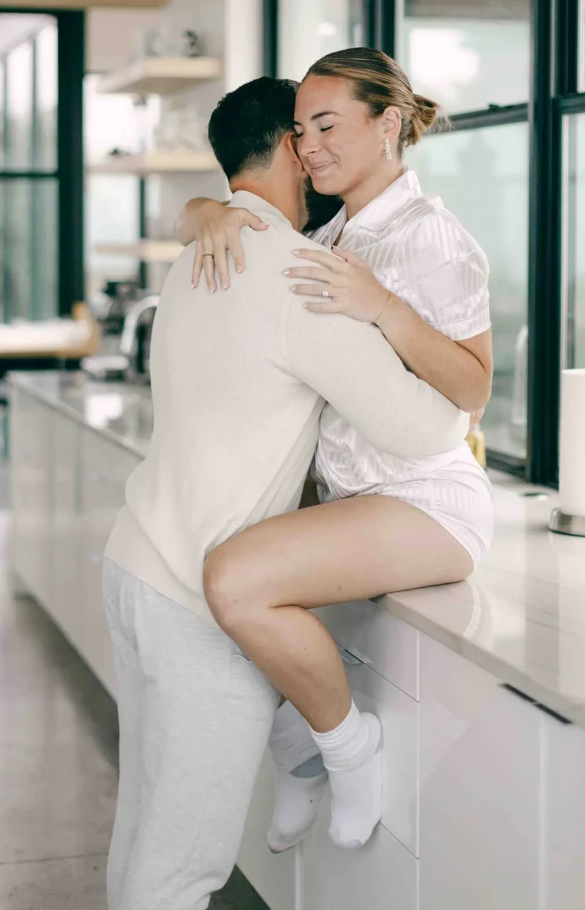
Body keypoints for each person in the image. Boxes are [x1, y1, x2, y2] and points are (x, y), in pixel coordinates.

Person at [102, 74, 469, 910]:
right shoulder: (295, 271)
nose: (318, 153)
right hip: (193, 597)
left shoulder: (207, 247)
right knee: (182, 865)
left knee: (145, 827)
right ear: (291, 152)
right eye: (307, 135)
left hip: (136, 562)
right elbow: (425, 430)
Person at [177, 47, 494, 855]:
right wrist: (205, 212)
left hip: (426, 502)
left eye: (326, 125)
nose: (308, 147)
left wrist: (382, 305)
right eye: (299, 130)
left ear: (386, 125)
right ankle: (303, 749)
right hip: (352, 497)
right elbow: (244, 216)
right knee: (193, 573)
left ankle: (338, 750)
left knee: (235, 580)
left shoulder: (432, 236)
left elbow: (472, 388)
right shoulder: (331, 227)